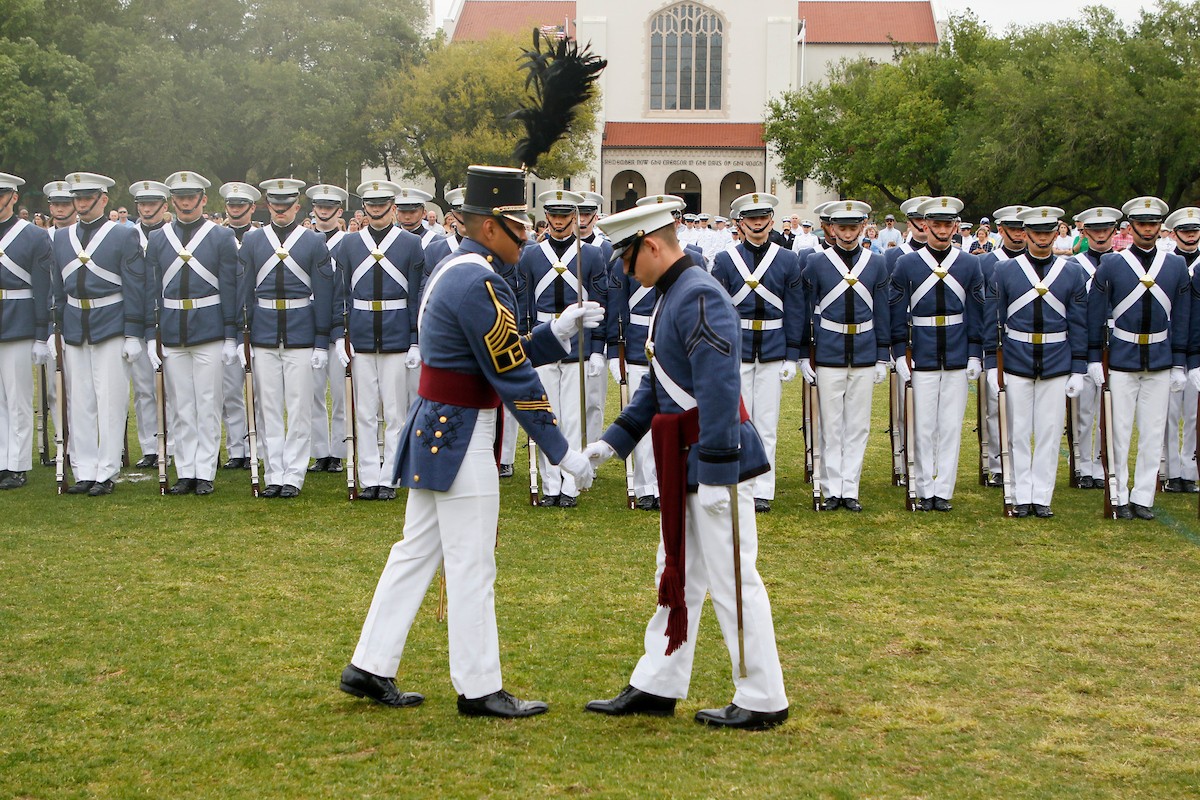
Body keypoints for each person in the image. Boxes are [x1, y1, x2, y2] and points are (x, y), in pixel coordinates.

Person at [341, 164, 599, 719]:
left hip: (439, 427)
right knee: (472, 564)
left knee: (415, 553)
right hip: (462, 435)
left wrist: (553, 333)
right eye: (518, 227)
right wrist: (562, 451)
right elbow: (512, 375)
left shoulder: (454, 270)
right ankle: (480, 686)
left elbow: (494, 354)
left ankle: (370, 664)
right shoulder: (480, 280)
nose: (527, 237)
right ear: (489, 228)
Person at [581, 200, 788, 730]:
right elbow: (660, 386)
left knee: (734, 580)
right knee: (677, 574)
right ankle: (659, 681)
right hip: (688, 462)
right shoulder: (677, 292)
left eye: (628, 260)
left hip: (713, 463)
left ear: (650, 245)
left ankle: (763, 695)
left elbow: (719, 390)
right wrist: (612, 443)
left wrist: (717, 474)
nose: (626, 273)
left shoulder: (695, 294)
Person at [1087, 197, 1189, 520]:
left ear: (1160, 227)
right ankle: (1118, 493)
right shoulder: (1112, 265)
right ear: (1130, 227)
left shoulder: (1174, 266)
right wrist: (1092, 357)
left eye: (1153, 223)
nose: (1147, 228)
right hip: (1121, 357)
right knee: (1118, 431)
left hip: (1159, 357)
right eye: (1141, 223)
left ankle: (1143, 497)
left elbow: (1183, 317)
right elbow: (1094, 314)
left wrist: (1180, 362)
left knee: (1153, 430)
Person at [984, 206, 1087, 518]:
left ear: (1056, 233)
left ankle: (1041, 497)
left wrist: (1079, 367)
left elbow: (1079, 322)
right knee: (1017, 431)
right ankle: (1018, 492)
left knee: (1049, 432)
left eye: (1047, 232)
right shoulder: (1004, 271)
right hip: (1016, 358)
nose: (1042, 238)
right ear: (1025, 234)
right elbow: (993, 318)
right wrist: (991, 362)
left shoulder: (1072, 272)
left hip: (1057, 360)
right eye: (1036, 233)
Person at [49, 172, 146, 495]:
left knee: (110, 400)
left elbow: (134, 285)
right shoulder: (62, 239)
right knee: (80, 402)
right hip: (76, 324)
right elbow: (58, 289)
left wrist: (133, 331)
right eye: (77, 198)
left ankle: (106, 470)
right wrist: (55, 329)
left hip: (111, 322)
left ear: (103, 199)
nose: (81, 204)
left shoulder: (122, 235)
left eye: (87, 198)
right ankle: (84, 468)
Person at [143, 171, 240, 495]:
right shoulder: (159, 239)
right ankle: (185, 470)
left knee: (208, 402)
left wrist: (230, 334)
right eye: (180, 197)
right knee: (181, 405)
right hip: (172, 330)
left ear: (203, 200)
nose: (186, 202)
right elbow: (151, 290)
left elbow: (230, 287)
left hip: (209, 328)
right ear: (173, 201)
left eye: (191, 197)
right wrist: (149, 334)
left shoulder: (220, 237)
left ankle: (205, 470)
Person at [238, 179, 335, 498]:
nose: (280, 211)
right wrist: (241, 337)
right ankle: (273, 472)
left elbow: (323, 293)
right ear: (268, 206)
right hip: (264, 332)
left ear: (297, 206)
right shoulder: (253, 241)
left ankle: (293, 474)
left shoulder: (314, 241)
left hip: (301, 332)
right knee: (267, 407)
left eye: (286, 205)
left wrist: (321, 340)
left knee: (298, 407)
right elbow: (245, 291)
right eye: (274, 205)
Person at [711, 192, 805, 514]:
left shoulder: (788, 260)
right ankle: (737, 483)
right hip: (735, 352)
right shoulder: (725, 261)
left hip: (773, 350)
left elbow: (795, 310)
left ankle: (763, 488)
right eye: (751, 219)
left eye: (762, 217)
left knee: (766, 424)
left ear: (771, 220)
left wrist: (793, 355)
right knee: (735, 421)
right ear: (740, 222)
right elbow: (717, 311)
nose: (757, 224)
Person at [889, 197, 984, 511]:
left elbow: (976, 312)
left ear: (955, 227)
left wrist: (974, 353)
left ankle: (943, 491)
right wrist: (899, 354)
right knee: (922, 426)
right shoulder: (906, 264)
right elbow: (896, 312)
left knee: (951, 425)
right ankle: (922, 486)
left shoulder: (970, 264)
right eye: (937, 224)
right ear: (924, 225)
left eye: (948, 224)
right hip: (923, 354)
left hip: (956, 354)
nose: (942, 230)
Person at [517, 189, 607, 507]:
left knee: (573, 418)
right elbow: (522, 306)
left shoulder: (593, 256)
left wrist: (598, 349)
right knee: (545, 417)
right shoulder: (530, 255)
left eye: (564, 215)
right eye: (553, 215)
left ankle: (569, 484)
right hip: (542, 341)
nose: (558, 221)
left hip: (578, 346)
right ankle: (550, 484)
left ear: (574, 217)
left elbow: (600, 306)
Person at [335, 180, 425, 500]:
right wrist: (338, 336)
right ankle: (369, 477)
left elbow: (416, 295)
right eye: (371, 204)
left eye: (382, 203)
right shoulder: (348, 244)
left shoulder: (411, 245)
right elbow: (340, 294)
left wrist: (415, 339)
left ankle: (390, 478)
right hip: (360, 334)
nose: (376, 208)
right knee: (365, 411)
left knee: (396, 413)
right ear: (363, 206)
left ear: (392, 205)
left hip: (397, 333)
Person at [800, 200, 891, 511]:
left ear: (864, 228)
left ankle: (850, 488)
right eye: (842, 227)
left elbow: (883, 312)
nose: (848, 232)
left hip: (864, 351)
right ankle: (831, 488)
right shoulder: (815, 263)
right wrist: (803, 355)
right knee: (831, 424)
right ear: (831, 229)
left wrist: (882, 356)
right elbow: (805, 312)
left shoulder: (877, 263)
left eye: (854, 227)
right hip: (828, 351)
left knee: (858, 424)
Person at [0, 173, 54, 490]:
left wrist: (39, 333)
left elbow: (42, 288)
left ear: (13, 198)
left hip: (18, 323)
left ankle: (16, 465)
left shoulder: (33, 237)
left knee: (17, 398)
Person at [1068, 206, 1121, 490]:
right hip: (1087, 339)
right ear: (1084, 232)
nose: (1100, 235)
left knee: (1111, 409)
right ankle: (1081, 463)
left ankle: (1105, 462)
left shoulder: (1123, 263)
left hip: (1118, 339)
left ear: (1114, 231)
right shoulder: (1073, 266)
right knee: (1085, 409)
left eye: (1105, 230)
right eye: (1094, 230)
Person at [976, 205, 1028, 487]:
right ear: (1001, 230)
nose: (1019, 234)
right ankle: (996, 462)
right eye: (1013, 229)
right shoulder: (985, 263)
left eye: (1022, 229)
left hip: (1025, 341)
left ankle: (1020, 463)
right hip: (995, 340)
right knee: (995, 405)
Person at [128, 179, 174, 469]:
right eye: (142, 204)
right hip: (139, 318)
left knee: (173, 388)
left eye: (152, 204)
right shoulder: (126, 235)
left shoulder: (172, 236)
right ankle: (149, 446)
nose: (146, 209)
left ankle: (173, 445)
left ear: (163, 206)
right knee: (144, 388)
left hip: (168, 319)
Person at [305, 184, 350, 475]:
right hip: (309, 324)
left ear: (339, 211)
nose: (323, 211)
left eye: (329, 207)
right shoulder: (305, 241)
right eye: (319, 206)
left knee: (342, 393)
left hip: (341, 326)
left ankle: (339, 451)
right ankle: (320, 451)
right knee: (312, 393)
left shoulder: (349, 242)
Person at [217, 181, 260, 470]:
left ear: (251, 208)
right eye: (231, 205)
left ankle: (257, 446)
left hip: (259, 321)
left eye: (240, 206)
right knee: (231, 389)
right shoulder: (218, 237)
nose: (235, 210)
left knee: (258, 392)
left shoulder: (261, 237)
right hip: (228, 320)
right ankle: (236, 449)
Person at [1166, 207, 1200, 492]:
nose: (1191, 235)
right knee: (1169, 411)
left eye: (1195, 230)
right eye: (1185, 231)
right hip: (1170, 345)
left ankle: (1190, 469)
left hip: (1197, 346)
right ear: (1175, 233)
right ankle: (1170, 469)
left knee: (1193, 413)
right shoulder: (1165, 263)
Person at [577, 191, 612, 444]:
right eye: (578, 213)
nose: (582, 219)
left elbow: (611, 296)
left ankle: (591, 449)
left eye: (587, 214)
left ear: (595, 217)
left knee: (594, 399)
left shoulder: (607, 250)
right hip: (568, 328)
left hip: (596, 331)